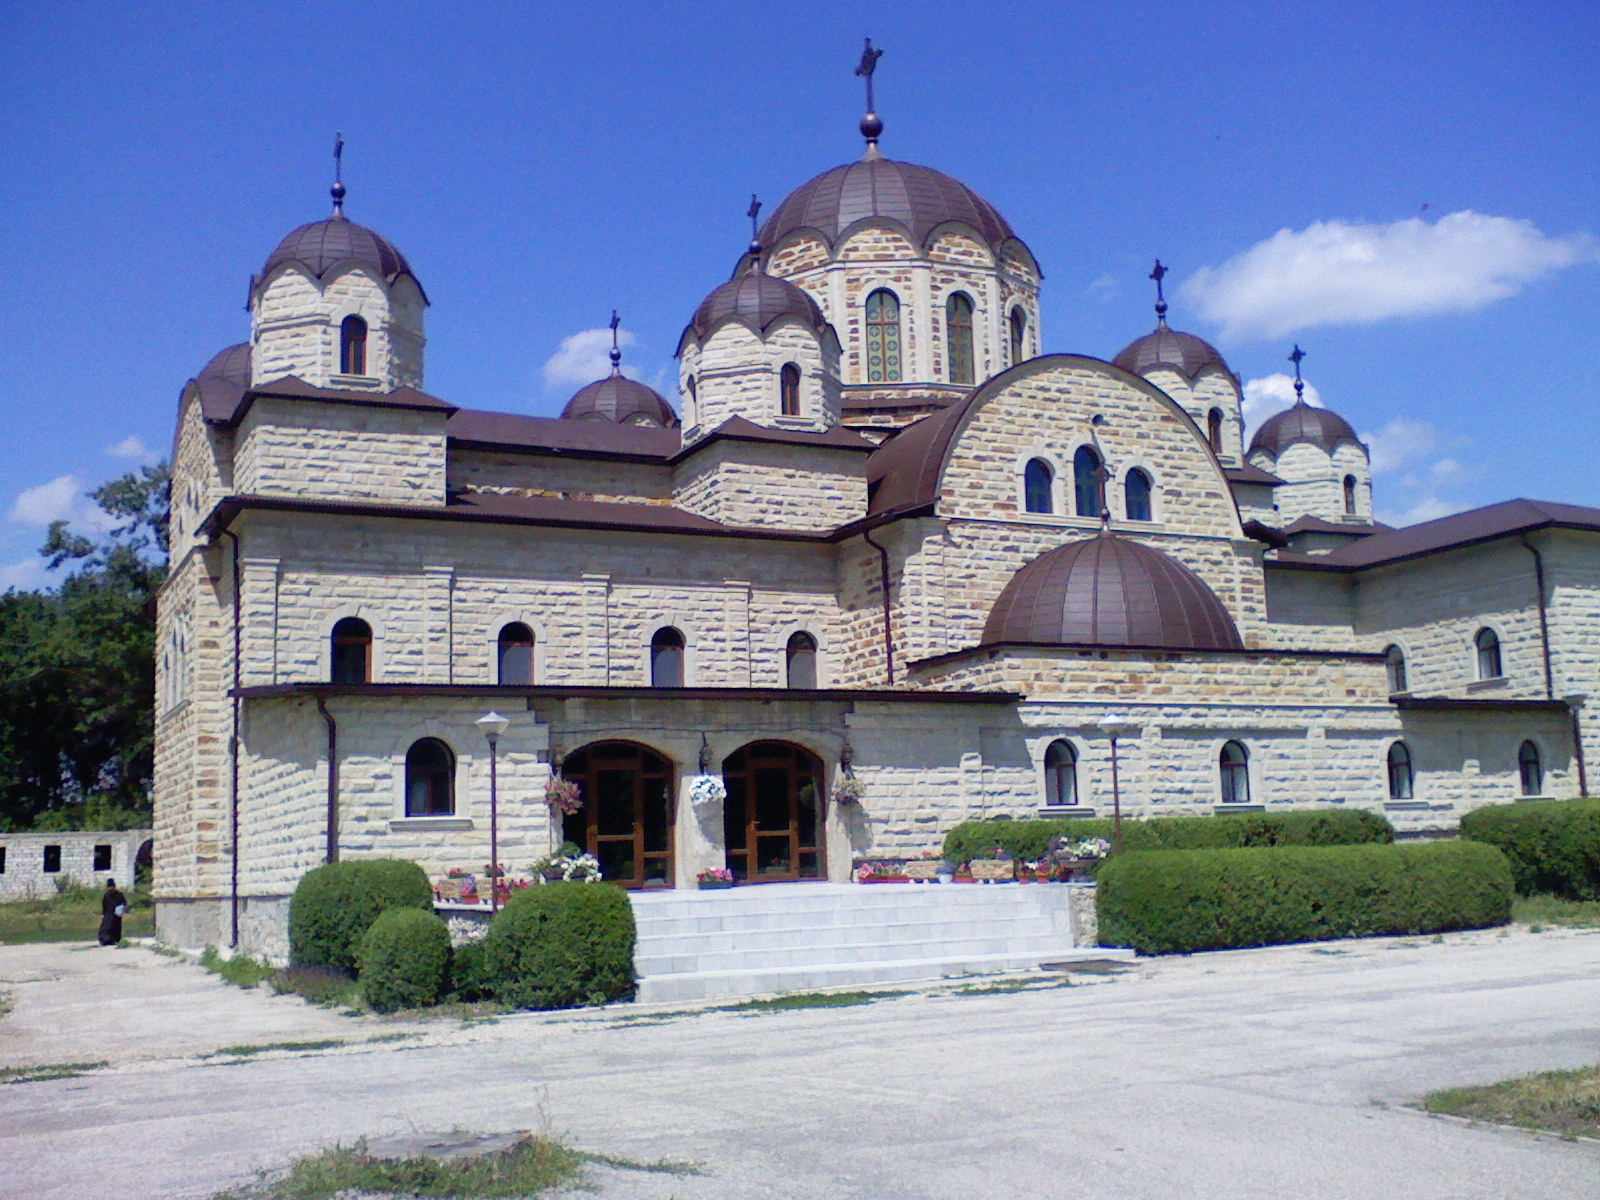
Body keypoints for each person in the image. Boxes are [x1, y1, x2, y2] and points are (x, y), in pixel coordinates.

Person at [98, 878, 127, 947]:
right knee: (106, 927)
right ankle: (104, 940)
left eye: (112, 887)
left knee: (116, 928)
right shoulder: (106, 895)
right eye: (109, 887)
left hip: (117, 915)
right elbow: (104, 905)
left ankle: (115, 940)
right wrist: (103, 914)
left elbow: (124, 903)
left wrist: (121, 909)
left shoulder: (119, 894)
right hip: (108, 914)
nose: (111, 888)